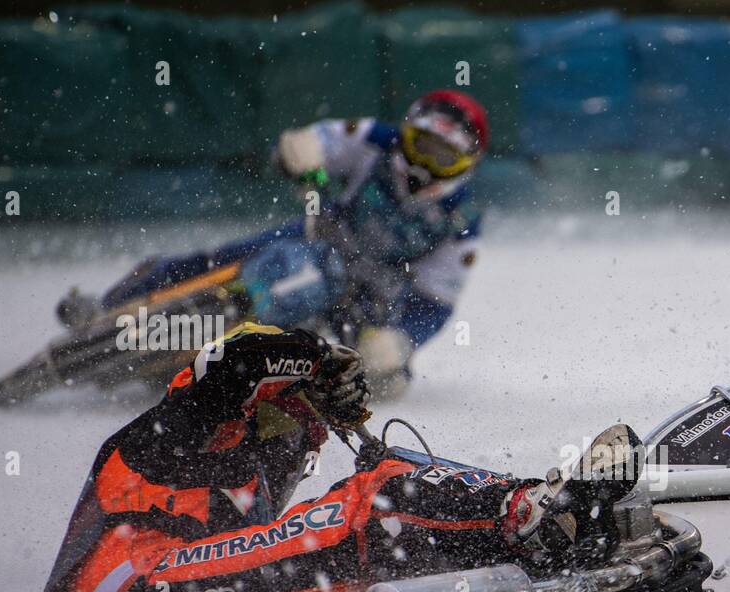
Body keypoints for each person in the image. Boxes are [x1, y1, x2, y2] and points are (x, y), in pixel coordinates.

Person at [35, 323, 641, 592]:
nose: (299, 442)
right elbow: (237, 362)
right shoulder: (180, 427)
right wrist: (318, 360)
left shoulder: (241, 476)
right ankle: (529, 515)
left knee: (364, 583)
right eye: (292, 421)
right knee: (369, 505)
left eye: (308, 433)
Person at [60, 90, 490, 398]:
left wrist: (400, 340)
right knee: (210, 260)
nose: (425, 166)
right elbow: (318, 142)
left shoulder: (462, 222)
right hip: (314, 237)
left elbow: (436, 299)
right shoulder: (375, 139)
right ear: (405, 135)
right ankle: (108, 306)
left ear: (467, 165)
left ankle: (264, 382)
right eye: (421, 146)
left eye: (444, 157)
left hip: (367, 295)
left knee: (381, 380)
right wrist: (299, 151)